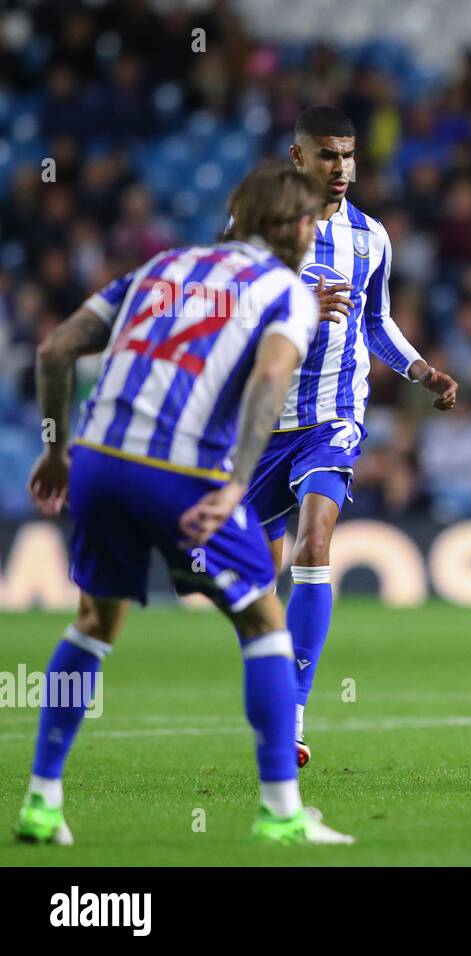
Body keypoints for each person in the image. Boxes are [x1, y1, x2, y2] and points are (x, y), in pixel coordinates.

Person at [17, 162, 352, 845]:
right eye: (311, 219)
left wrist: (55, 450)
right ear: (289, 228)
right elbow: (266, 385)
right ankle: (282, 814)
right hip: (180, 469)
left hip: (98, 462)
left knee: (92, 622)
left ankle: (42, 800)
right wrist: (235, 485)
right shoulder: (284, 291)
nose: (317, 229)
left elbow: (55, 350)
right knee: (264, 621)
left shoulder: (161, 266)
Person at [241, 107, 458, 768]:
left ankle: (295, 712)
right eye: (327, 155)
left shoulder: (371, 239)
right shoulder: (259, 231)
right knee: (254, 581)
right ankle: (272, 688)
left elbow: (377, 322)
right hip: (261, 424)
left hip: (333, 414)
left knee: (314, 543)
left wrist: (420, 370)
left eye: (348, 155)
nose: (340, 168)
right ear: (298, 157)